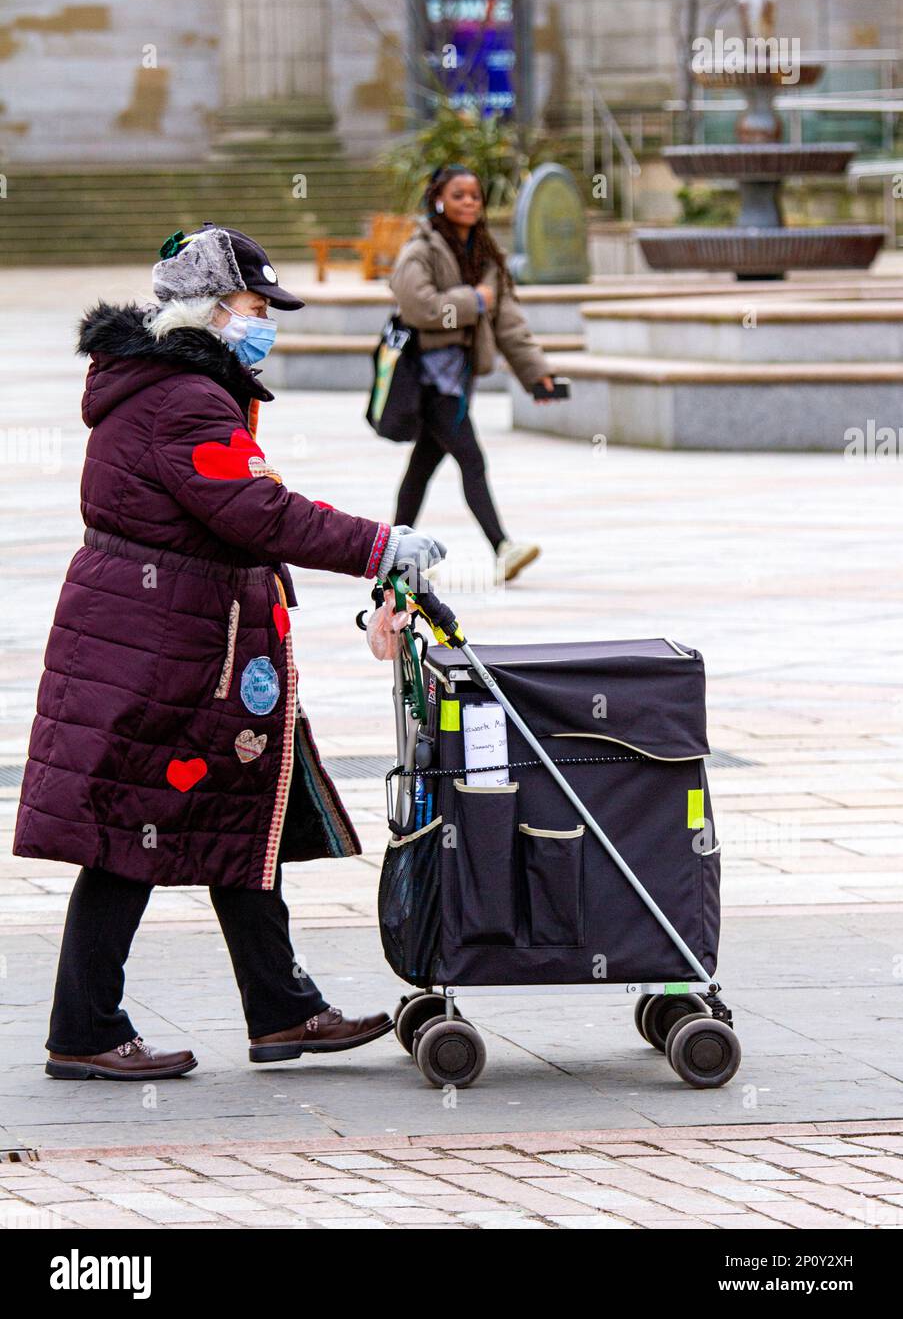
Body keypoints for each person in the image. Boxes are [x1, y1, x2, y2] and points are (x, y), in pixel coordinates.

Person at [14, 223, 445, 1080]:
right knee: (128, 831)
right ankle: (86, 1029)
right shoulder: (184, 396)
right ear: (213, 310)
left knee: (237, 811)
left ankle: (282, 1010)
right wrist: (376, 546)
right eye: (254, 307)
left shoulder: (176, 383)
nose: (263, 323)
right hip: (164, 644)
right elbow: (257, 512)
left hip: (175, 634)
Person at [389, 164, 556, 583]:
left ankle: (390, 552)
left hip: (458, 380)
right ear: (439, 199)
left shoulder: (484, 256)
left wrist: (536, 374)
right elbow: (419, 308)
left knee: (422, 467)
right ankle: (503, 546)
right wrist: (473, 302)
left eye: (475, 196)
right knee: (472, 459)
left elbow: (509, 324)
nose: (469, 202)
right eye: (459, 195)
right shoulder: (421, 249)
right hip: (428, 380)